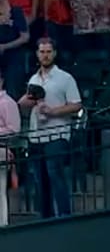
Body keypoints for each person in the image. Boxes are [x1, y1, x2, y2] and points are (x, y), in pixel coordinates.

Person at [15, 36, 77, 218]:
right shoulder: (33, 79)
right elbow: (26, 106)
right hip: (36, 135)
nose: (45, 55)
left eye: (49, 52)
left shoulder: (65, 78)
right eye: (42, 52)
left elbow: (76, 105)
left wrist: (53, 112)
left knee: (55, 174)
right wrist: (25, 103)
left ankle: (64, 216)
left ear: (55, 53)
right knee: (40, 180)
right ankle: (45, 218)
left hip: (57, 133)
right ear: (37, 54)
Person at [0, 85, 17, 227]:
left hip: (1, 149)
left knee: (0, 190)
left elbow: (13, 129)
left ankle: (2, 224)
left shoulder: (7, 102)